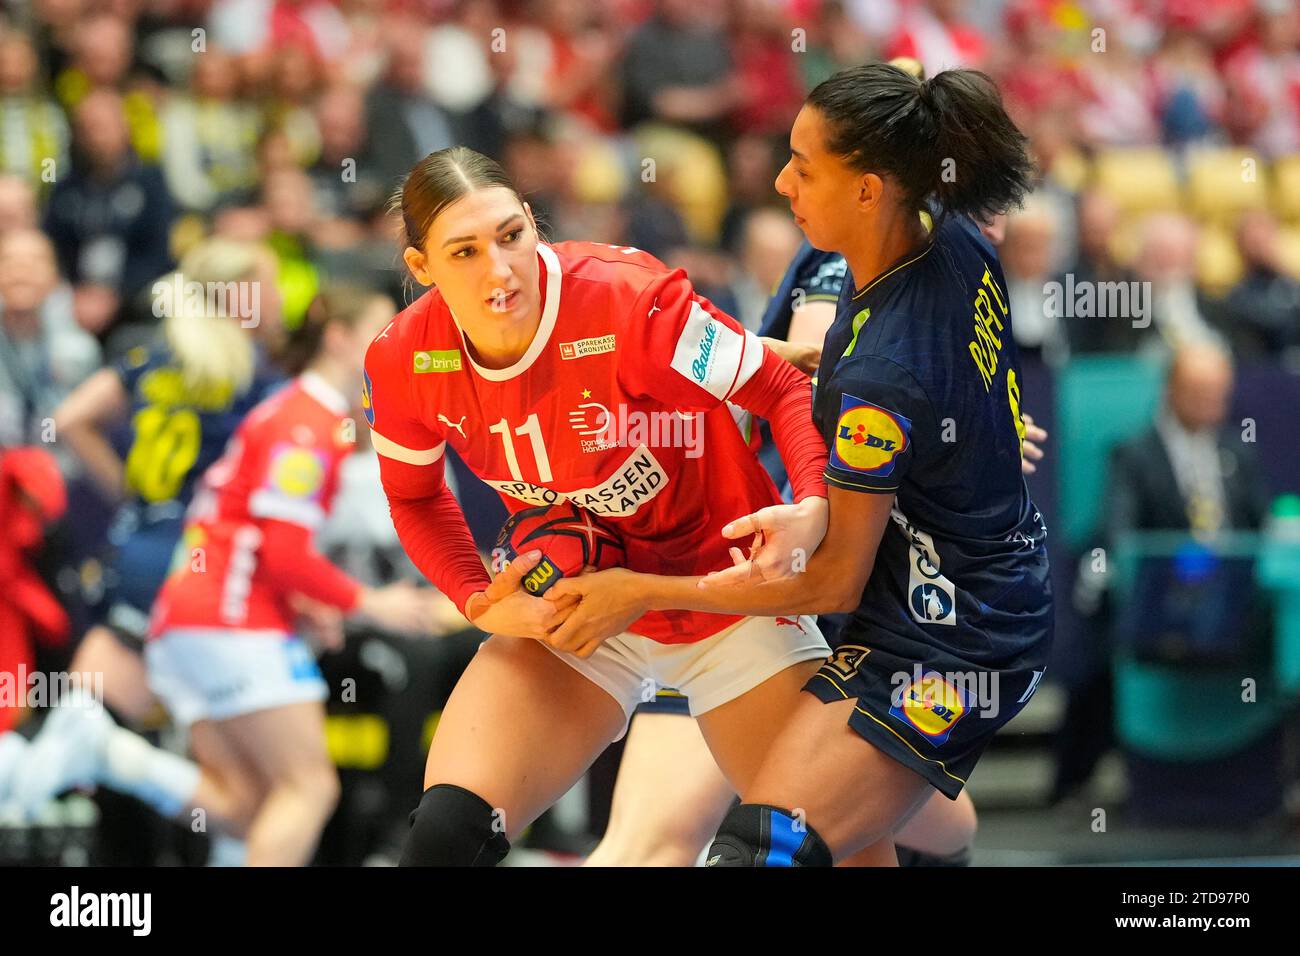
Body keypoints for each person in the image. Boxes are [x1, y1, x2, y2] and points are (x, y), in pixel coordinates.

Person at [548, 63, 1052, 866]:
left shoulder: (880, 378)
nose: (781, 181)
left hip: (956, 632)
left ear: (869, 189)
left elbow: (832, 582)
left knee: (764, 850)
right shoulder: (947, 231)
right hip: (934, 575)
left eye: (804, 166)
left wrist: (636, 591)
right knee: (904, 836)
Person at [366, 145, 837, 867]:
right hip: (581, 615)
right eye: (464, 251)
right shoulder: (405, 356)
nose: (498, 269)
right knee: (445, 837)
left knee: (841, 836)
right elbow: (415, 496)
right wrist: (476, 600)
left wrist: (809, 503)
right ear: (421, 266)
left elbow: (778, 386)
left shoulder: (626, 298)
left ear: (532, 223)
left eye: (511, 236)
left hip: (723, 597)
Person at [7, 286, 434, 866]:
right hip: (229, 623)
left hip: (191, 620)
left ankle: (108, 753)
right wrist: (369, 602)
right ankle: (100, 749)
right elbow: (282, 552)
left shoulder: (289, 412)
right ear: (339, 339)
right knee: (309, 788)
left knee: (246, 805)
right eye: (384, 333)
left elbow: (252, 536)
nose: (398, 351)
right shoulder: (309, 424)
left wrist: (310, 604)